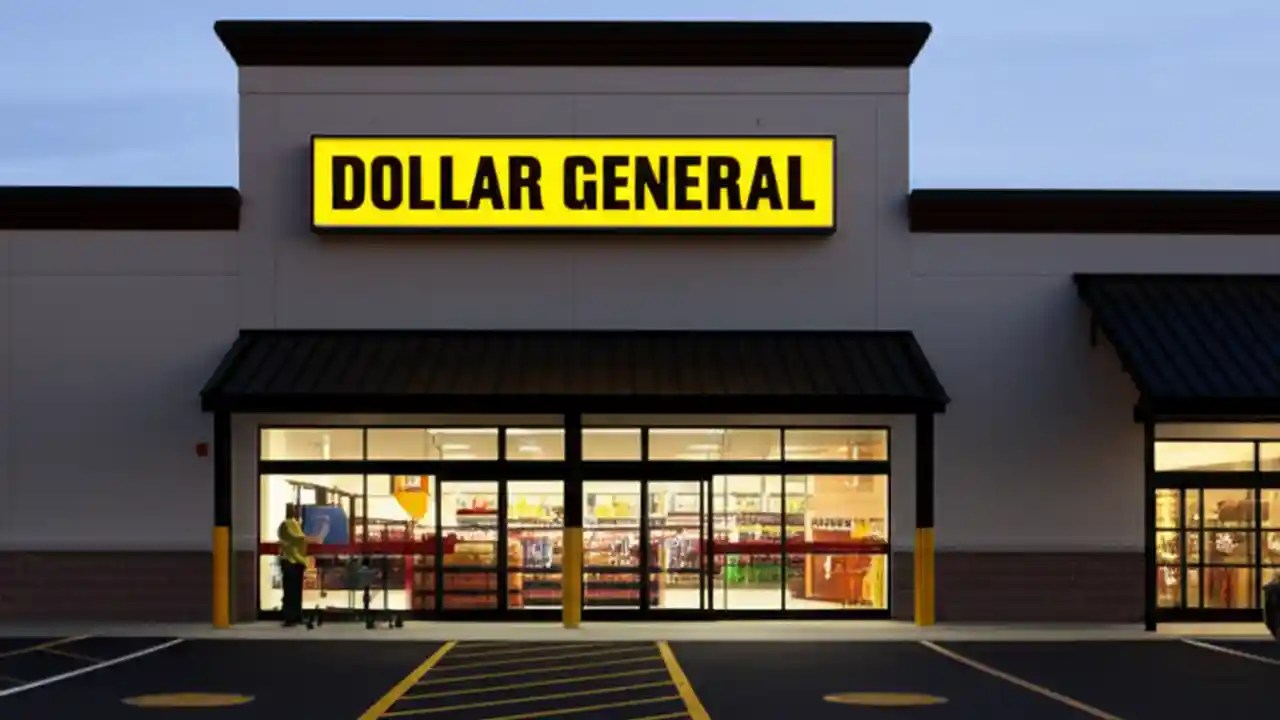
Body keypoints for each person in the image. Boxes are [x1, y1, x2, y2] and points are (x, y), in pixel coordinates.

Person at [278, 503, 325, 627]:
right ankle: (291, 617)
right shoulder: (289, 523)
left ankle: (295, 616)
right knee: (292, 592)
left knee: (293, 591)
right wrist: (315, 538)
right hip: (291, 561)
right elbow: (298, 538)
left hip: (295, 561)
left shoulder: (292, 524)